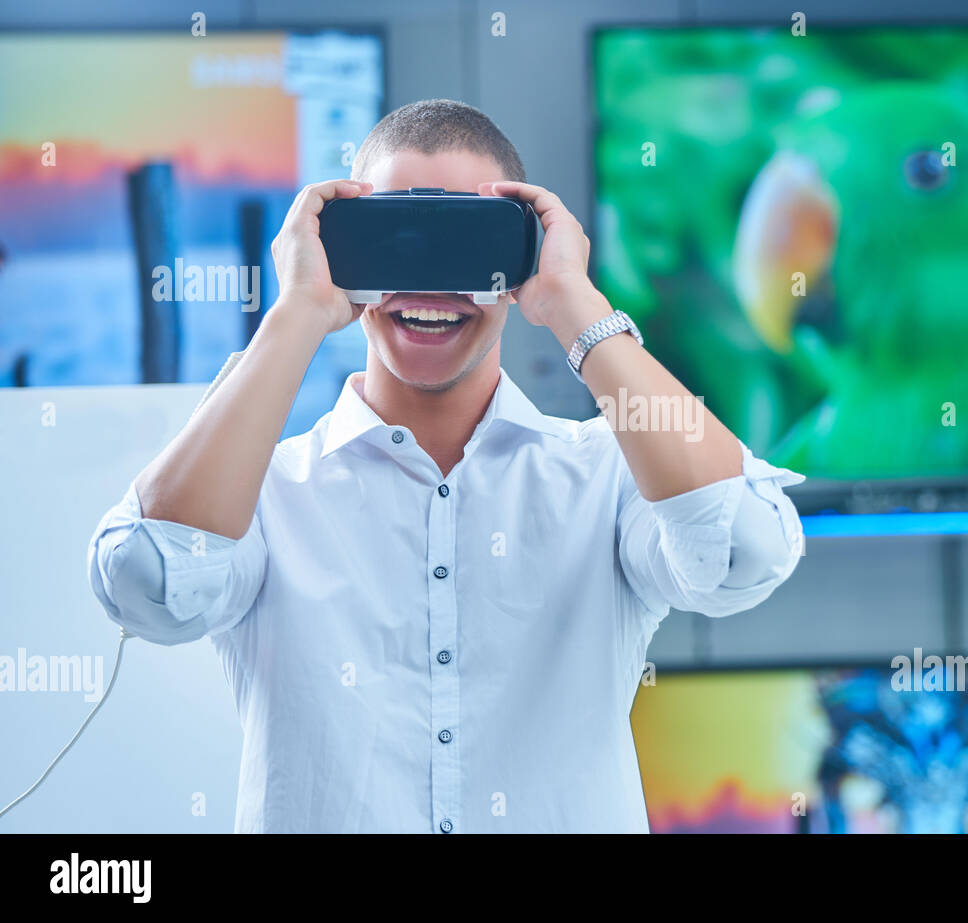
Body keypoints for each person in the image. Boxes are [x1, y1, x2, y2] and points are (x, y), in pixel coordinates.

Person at [87, 99, 804, 833]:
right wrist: (298, 311)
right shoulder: (258, 495)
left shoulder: (608, 474)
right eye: (395, 241)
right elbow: (149, 584)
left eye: (467, 244)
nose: (432, 288)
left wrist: (573, 304)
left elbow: (745, 551)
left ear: (523, 255)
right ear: (342, 252)